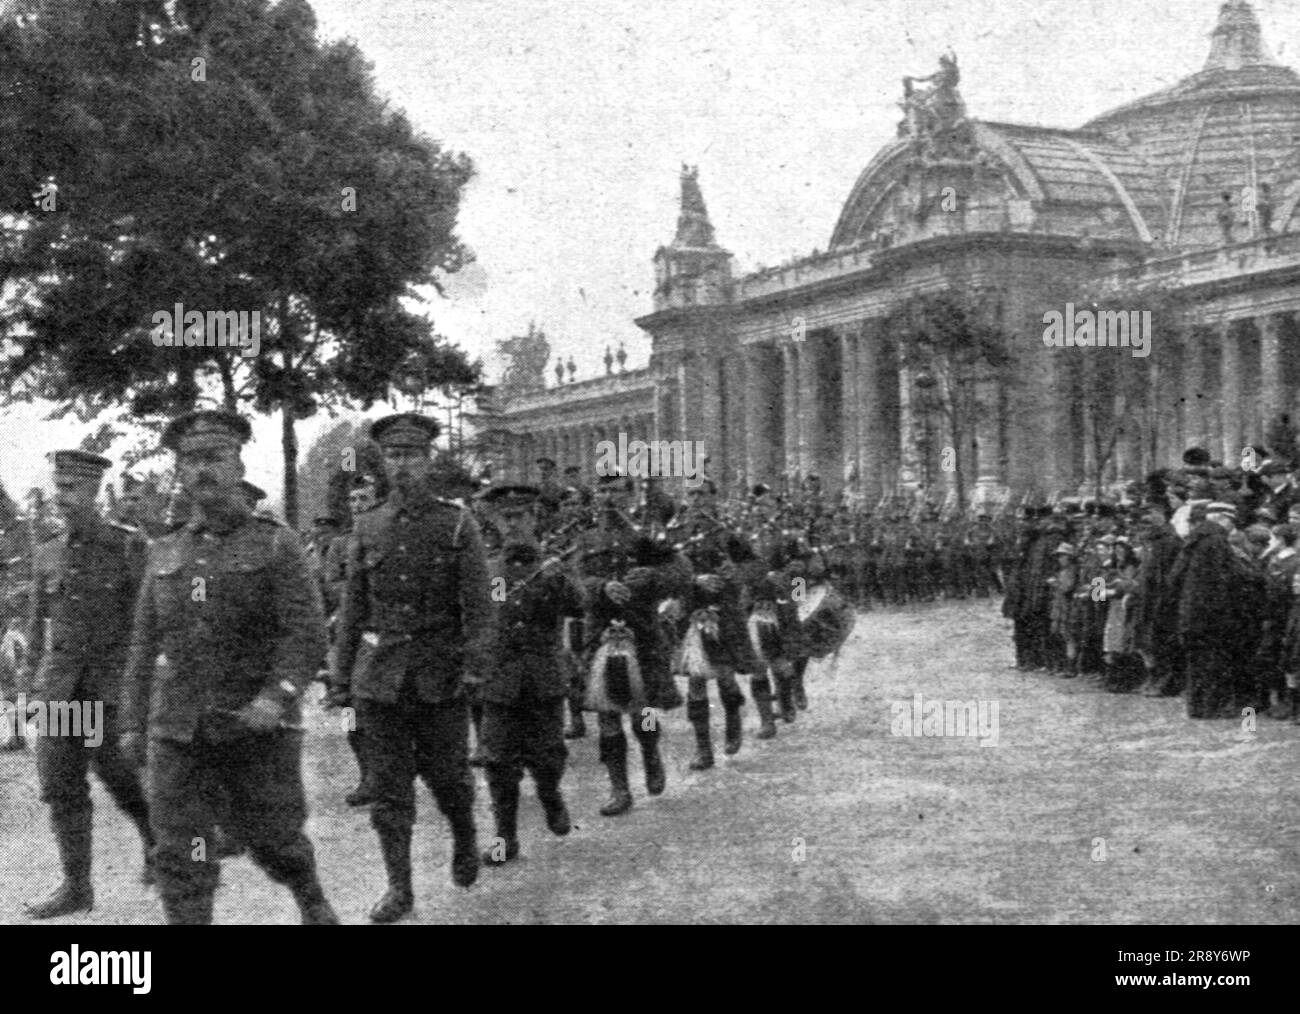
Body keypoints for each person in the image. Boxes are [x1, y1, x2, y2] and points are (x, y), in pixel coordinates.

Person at [120, 411, 337, 925]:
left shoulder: (276, 543)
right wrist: (132, 722)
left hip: (254, 727)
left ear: (238, 464)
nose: (201, 471)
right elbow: (143, 645)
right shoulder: (166, 550)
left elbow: (306, 634)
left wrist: (276, 697)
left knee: (273, 840)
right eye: (189, 461)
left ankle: (310, 897)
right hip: (179, 729)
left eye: (213, 459)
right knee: (182, 850)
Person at [330, 413, 494, 922]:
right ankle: (399, 889)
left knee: (447, 778)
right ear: (382, 462)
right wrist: (341, 678)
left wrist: (474, 665)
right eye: (394, 456)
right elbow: (354, 609)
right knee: (388, 790)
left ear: (428, 461)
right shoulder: (367, 524)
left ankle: (464, 836)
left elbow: (480, 606)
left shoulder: (456, 524)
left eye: (413, 456)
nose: (403, 465)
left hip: (440, 674)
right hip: (380, 680)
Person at [19, 450, 155, 918]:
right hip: (60, 692)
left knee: (119, 777)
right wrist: (29, 690)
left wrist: (139, 692)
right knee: (60, 786)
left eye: (72, 488)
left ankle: (157, 842)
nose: (62, 498)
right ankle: (77, 887)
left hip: (108, 691)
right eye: (58, 487)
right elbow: (37, 629)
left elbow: (148, 622)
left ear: (95, 491)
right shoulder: (48, 551)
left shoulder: (128, 546)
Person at [477, 484, 584, 866]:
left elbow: (579, 605)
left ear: (533, 518)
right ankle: (505, 839)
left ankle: (551, 797)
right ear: (495, 522)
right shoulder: (488, 567)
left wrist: (559, 579)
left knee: (548, 756)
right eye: (505, 518)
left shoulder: (555, 564)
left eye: (520, 516)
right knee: (497, 763)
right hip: (500, 678)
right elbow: (479, 616)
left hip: (543, 676)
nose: (513, 524)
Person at [574, 472, 690, 816]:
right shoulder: (585, 536)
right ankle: (619, 788)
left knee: (645, 710)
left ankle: (651, 754)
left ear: (630, 495)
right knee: (607, 713)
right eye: (603, 491)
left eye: (616, 491)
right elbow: (574, 580)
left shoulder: (648, 535)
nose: (609, 498)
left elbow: (681, 571)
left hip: (642, 629)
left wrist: (654, 578)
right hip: (601, 631)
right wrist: (600, 588)